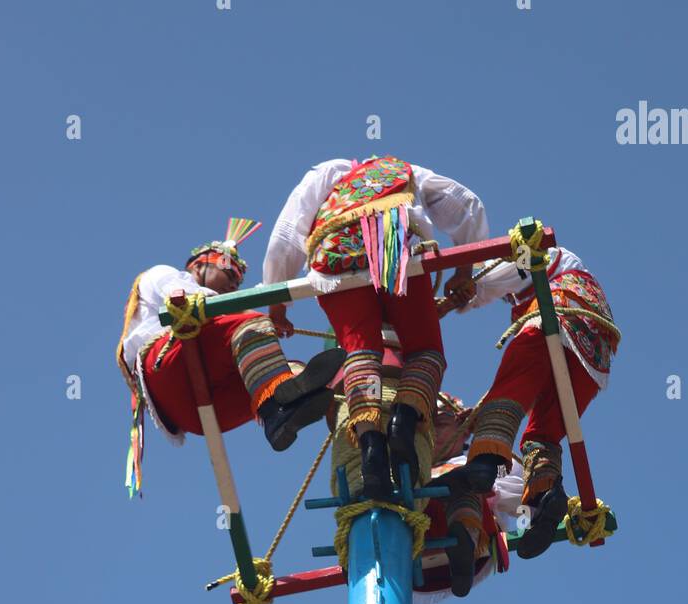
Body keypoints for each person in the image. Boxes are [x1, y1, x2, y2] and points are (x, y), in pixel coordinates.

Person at [262, 157, 488, 499]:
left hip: (336, 257)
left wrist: (278, 304)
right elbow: (466, 202)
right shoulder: (407, 171)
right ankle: (403, 422)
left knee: (360, 352)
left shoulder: (327, 173)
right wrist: (463, 271)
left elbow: (287, 231)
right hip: (396, 249)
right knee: (425, 352)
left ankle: (369, 447)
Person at [116, 219, 344, 493]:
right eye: (229, 270)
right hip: (166, 371)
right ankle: (280, 405)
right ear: (198, 265)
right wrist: (258, 309)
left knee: (287, 369)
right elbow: (194, 299)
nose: (234, 282)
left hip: (203, 415)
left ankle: (278, 416)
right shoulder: (161, 274)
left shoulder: (222, 310)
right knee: (251, 326)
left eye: (238, 279)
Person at [458, 244, 620, 558]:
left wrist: (466, 291)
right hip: (592, 357)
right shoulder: (550, 295)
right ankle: (545, 496)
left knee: (510, 385)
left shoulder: (543, 258)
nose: (506, 296)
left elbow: (503, 274)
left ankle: (485, 462)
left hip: (558, 318)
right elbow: (533, 388)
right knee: (542, 435)